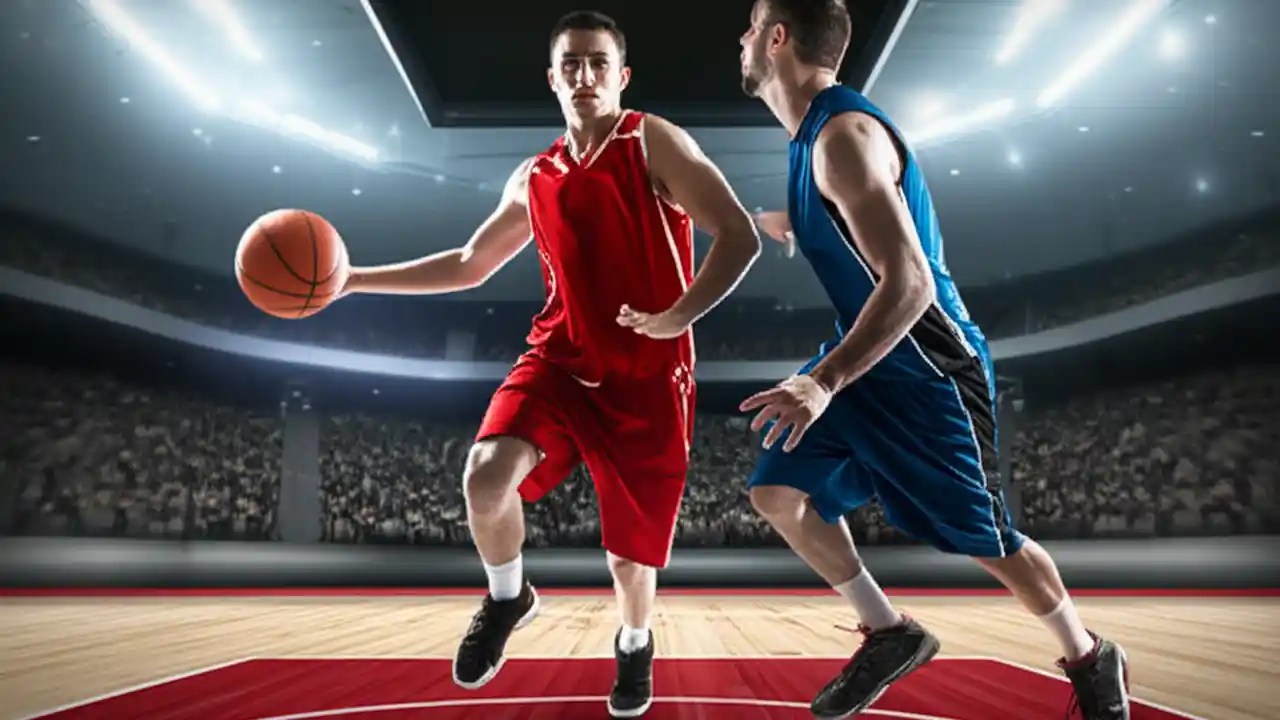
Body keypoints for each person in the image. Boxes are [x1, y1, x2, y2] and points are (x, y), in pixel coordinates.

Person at [341, 10, 760, 718]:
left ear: (622, 76)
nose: (585, 75)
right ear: (553, 77)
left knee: (629, 563)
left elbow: (740, 236)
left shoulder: (651, 141)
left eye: (599, 63)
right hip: (560, 361)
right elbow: (470, 264)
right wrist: (354, 279)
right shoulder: (536, 174)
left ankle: (633, 643)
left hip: (648, 380)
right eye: (571, 63)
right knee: (484, 475)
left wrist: (677, 316)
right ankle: (509, 599)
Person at [736, 1, 1130, 718]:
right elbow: (851, 217)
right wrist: (787, 220)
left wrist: (823, 380)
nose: (741, 38)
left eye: (751, 24)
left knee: (992, 541)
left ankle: (1090, 655)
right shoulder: (811, 144)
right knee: (777, 493)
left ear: (777, 38)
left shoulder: (842, 137)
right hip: (870, 360)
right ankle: (890, 633)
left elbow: (911, 283)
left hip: (928, 370)